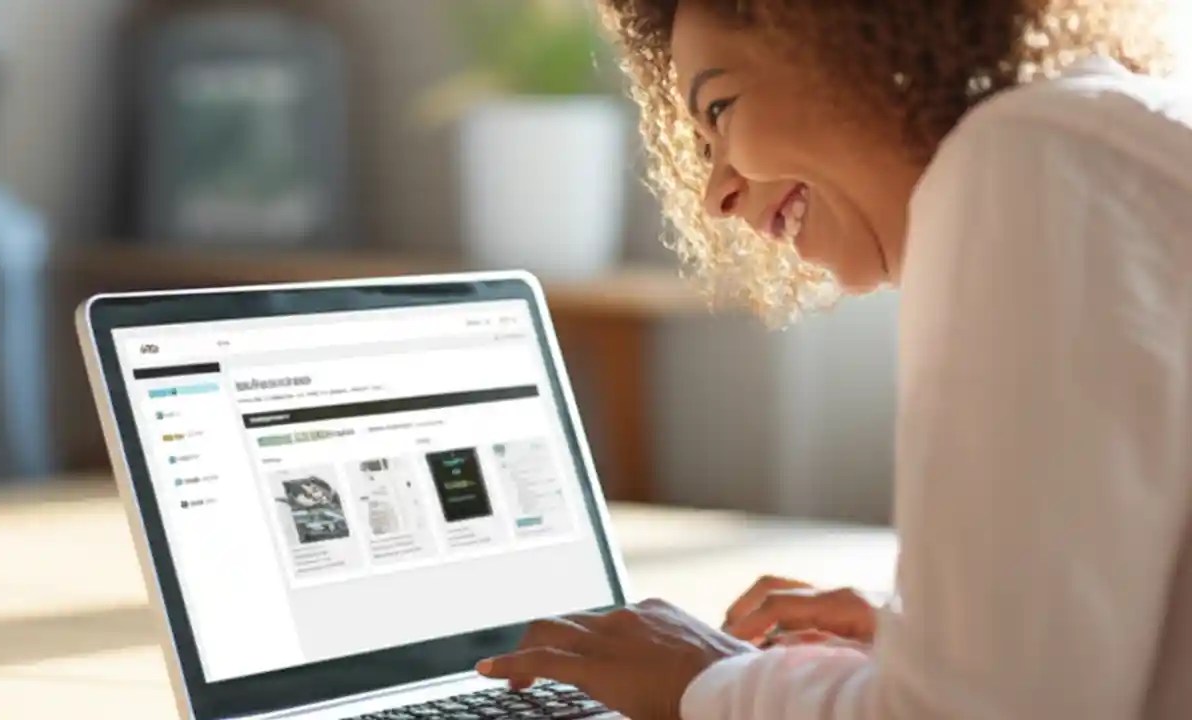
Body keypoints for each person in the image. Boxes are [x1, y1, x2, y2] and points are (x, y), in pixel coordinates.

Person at [475, 0, 1192, 718]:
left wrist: (704, 680)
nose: (715, 194)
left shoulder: (1027, 154)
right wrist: (926, 637)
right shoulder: (1098, 145)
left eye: (721, 107)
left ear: (860, 38)